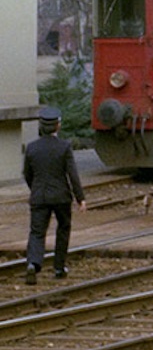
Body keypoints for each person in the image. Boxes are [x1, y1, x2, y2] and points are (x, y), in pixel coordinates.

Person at [23, 105, 85, 284]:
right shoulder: (64, 147)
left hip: (39, 196)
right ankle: (59, 267)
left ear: (40, 126)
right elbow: (72, 174)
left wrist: (35, 189)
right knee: (63, 228)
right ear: (58, 125)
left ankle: (33, 264)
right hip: (61, 197)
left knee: (37, 232)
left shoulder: (31, 148)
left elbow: (27, 174)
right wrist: (80, 198)